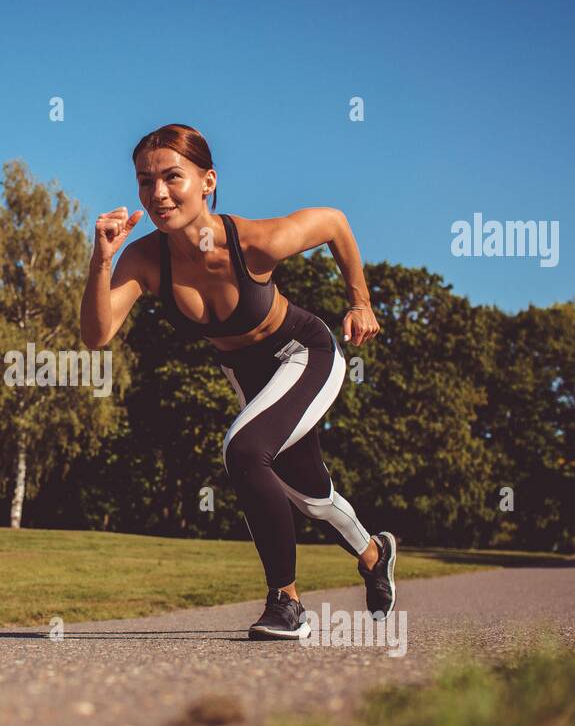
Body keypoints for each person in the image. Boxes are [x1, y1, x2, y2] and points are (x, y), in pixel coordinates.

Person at [80, 123, 396, 640]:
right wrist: (102, 258)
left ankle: (286, 603)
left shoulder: (252, 242)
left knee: (245, 452)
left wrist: (360, 302)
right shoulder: (145, 258)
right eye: (145, 181)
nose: (157, 193)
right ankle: (374, 553)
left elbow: (335, 223)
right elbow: (96, 336)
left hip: (303, 353)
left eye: (172, 177)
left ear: (207, 181)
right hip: (247, 375)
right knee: (311, 495)